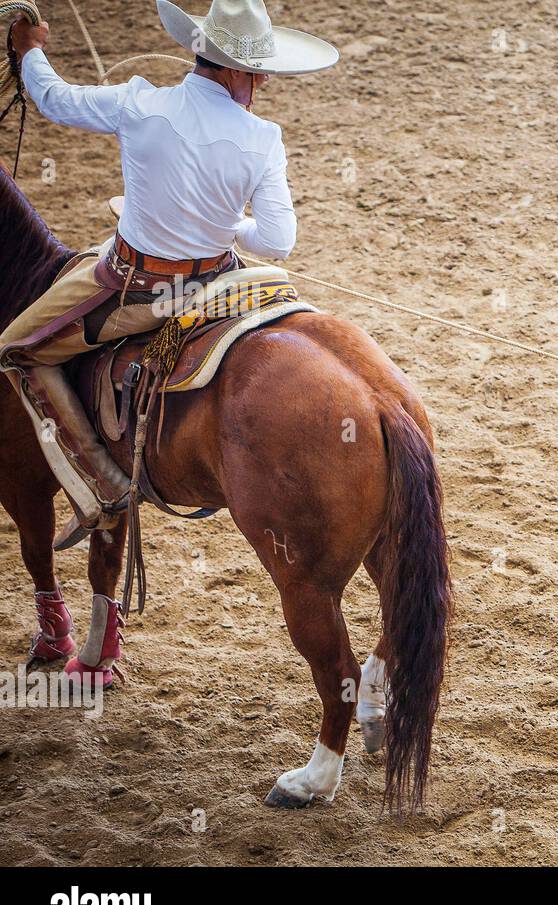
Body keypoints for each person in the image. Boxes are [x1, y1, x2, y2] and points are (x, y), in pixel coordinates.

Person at [0, 0, 336, 550]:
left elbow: (53, 98)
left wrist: (30, 50)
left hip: (138, 288)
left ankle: (101, 482)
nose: (264, 82)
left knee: (15, 347)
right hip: (222, 283)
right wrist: (232, 227)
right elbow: (277, 243)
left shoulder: (139, 103)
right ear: (233, 70)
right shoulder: (264, 138)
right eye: (258, 72)